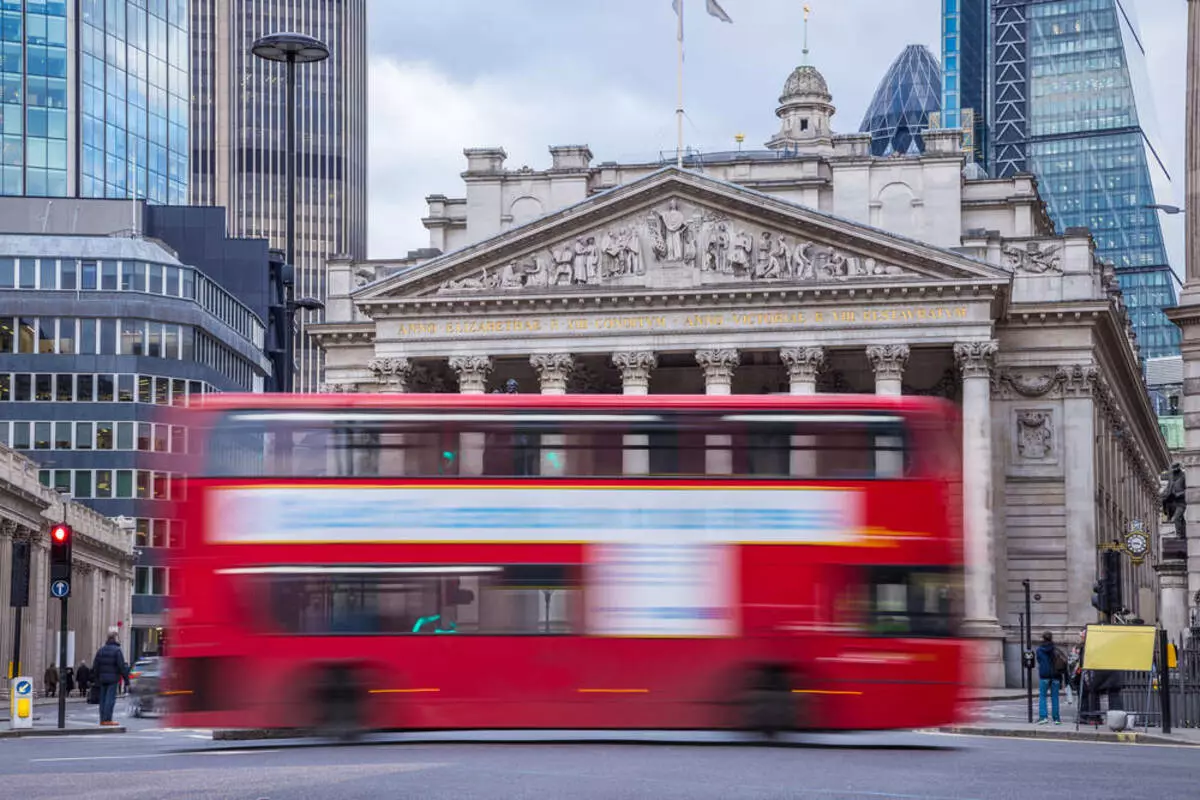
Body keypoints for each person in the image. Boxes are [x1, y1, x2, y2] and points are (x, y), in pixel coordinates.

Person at [91, 628, 130, 726]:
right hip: (113, 679)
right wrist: (126, 680)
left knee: (103, 699)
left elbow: (96, 665)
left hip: (102, 678)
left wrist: (96, 678)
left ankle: (102, 719)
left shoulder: (101, 650)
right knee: (110, 699)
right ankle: (107, 719)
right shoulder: (117, 651)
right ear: (115, 638)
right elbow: (121, 666)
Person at [1035, 630, 1063, 725]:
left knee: (1043, 696)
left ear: (1043, 638)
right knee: (1055, 697)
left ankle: (1043, 717)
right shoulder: (1056, 649)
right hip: (1055, 675)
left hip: (1044, 675)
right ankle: (1056, 719)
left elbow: (1039, 661)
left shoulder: (1039, 650)